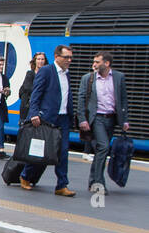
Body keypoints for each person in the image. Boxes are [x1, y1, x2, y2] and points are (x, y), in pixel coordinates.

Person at [20, 44, 76, 196]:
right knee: (42, 152)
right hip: (47, 118)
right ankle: (25, 176)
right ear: (57, 57)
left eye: (71, 57)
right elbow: (36, 93)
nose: (69, 60)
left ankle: (61, 185)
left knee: (63, 152)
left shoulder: (66, 73)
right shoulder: (46, 71)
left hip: (63, 118)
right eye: (66, 57)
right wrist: (34, 114)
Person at [77, 51, 131, 194]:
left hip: (111, 119)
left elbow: (123, 99)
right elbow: (81, 100)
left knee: (101, 150)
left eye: (97, 62)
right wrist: (82, 119)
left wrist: (125, 120)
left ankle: (92, 181)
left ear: (106, 64)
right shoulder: (87, 79)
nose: (94, 64)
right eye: (94, 61)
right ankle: (99, 183)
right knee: (104, 147)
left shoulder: (119, 77)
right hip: (96, 119)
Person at [17, 51, 47, 125]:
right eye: (38, 59)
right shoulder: (30, 74)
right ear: (35, 61)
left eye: (42, 59)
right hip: (28, 108)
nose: (40, 61)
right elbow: (27, 88)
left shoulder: (47, 74)